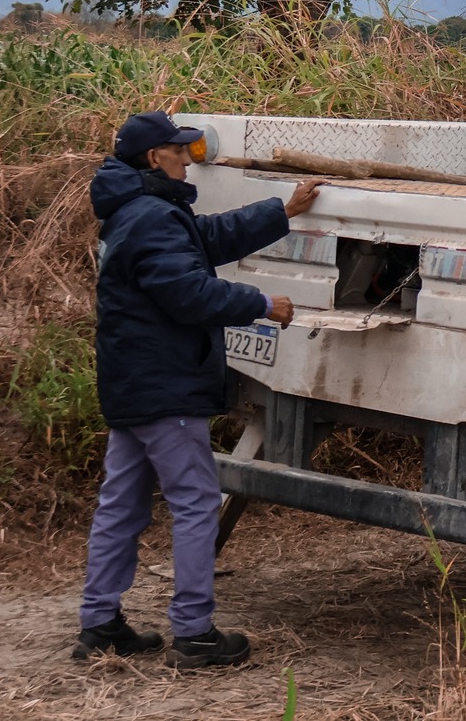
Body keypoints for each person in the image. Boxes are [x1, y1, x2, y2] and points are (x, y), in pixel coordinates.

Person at [73, 111, 322, 669]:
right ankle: (194, 633)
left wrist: (279, 212)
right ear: (152, 158)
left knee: (121, 505)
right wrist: (261, 304)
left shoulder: (139, 211)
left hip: (133, 384)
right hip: (167, 385)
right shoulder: (153, 217)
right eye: (177, 150)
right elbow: (186, 292)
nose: (188, 159)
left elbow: (204, 239)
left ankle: (100, 624)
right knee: (196, 504)